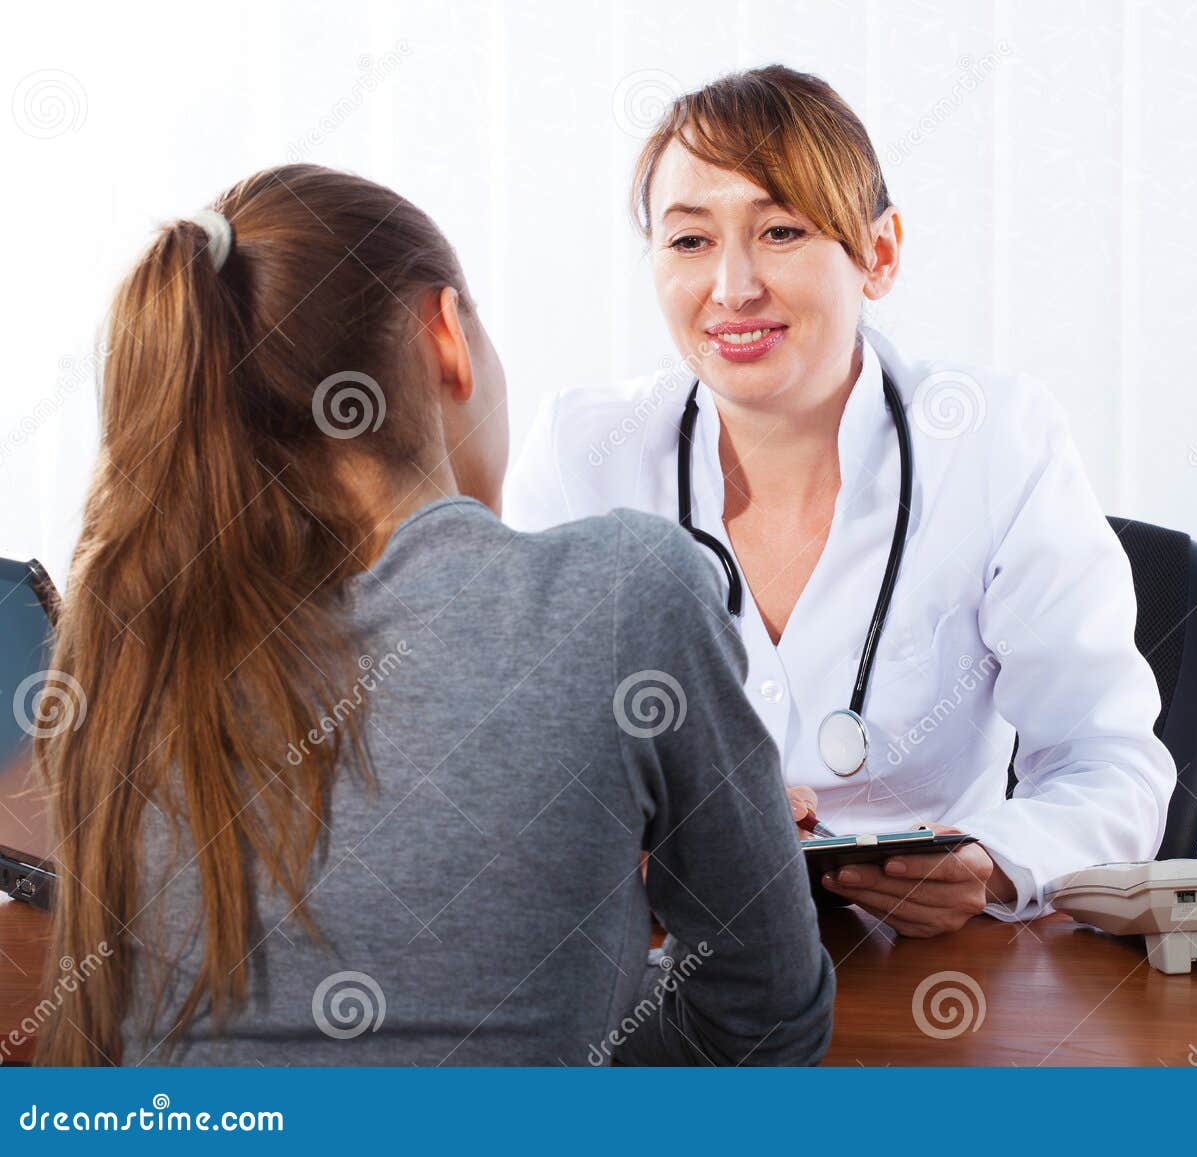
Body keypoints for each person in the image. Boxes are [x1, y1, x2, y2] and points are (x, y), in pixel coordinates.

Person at [34, 163, 832, 1066]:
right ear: (448, 337)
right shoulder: (626, 591)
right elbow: (763, 1018)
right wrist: (579, 1014)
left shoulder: (119, 643)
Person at [503, 66, 1178, 938]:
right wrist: (618, 837)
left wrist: (994, 860)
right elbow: (516, 759)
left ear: (879, 254)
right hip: (662, 964)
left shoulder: (992, 441)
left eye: (780, 231)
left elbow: (1109, 764)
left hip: (931, 971)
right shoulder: (582, 456)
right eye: (690, 240)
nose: (732, 287)